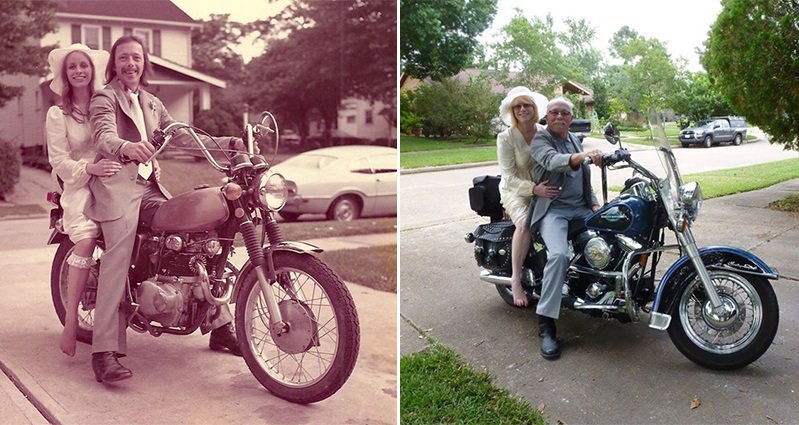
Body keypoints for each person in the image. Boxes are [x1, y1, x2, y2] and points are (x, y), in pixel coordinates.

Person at [86, 35, 244, 383]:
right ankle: (104, 352)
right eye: (124, 58)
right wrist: (127, 148)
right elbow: (102, 136)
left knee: (202, 241)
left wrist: (228, 143)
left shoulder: (152, 103)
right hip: (116, 188)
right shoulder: (105, 98)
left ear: (145, 64)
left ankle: (219, 326)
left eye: (137, 58)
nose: (131, 64)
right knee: (117, 256)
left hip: (149, 188)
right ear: (115, 64)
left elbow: (185, 135)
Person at [46, 44, 120, 357]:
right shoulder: (57, 113)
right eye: (72, 67)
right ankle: (71, 321)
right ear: (65, 74)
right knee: (87, 239)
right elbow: (59, 160)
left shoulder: (106, 103)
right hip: (80, 182)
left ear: (93, 71)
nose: (79, 71)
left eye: (84, 66)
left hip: (115, 178)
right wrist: (90, 168)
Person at [528, 97, 604, 360]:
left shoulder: (574, 139)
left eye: (565, 113)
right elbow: (554, 161)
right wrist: (583, 157)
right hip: (553, 210)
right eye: (554, 112)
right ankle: (546, 324)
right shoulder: (540, 140)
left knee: (615, 236)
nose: (559, 116)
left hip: (581, 208)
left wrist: (594, 203)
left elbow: (585, 177)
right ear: (546, 116)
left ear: (571, 118)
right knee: (559, 255)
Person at [496, 87, 560, 307]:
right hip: (516, 190)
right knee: (524, 224)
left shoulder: (545, 132)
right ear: (512, 111)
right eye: (518, 106)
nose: (523, 109)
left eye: (527, 105)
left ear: (535, 109)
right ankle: (515, 280)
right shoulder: (505, 138)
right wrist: (534, 190)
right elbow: (509, 176)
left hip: (543, 187)